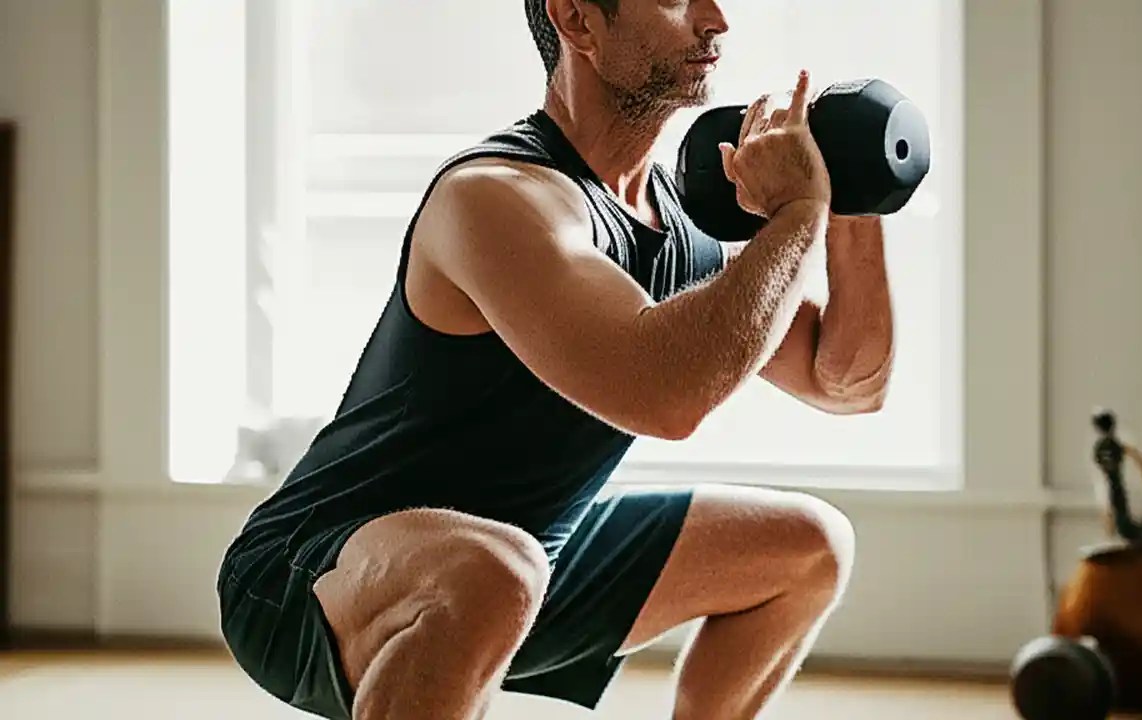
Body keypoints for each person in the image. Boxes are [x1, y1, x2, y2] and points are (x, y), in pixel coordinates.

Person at [216, 0, 895, 718]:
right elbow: (669, 396)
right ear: (577, 21)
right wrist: (796, 216)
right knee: (492, 571)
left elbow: (844, 381)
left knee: (810, 548)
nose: (716, 19)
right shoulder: (496, 200)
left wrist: (852, 197)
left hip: (533, 563)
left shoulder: (675, 223)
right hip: (308, 575)